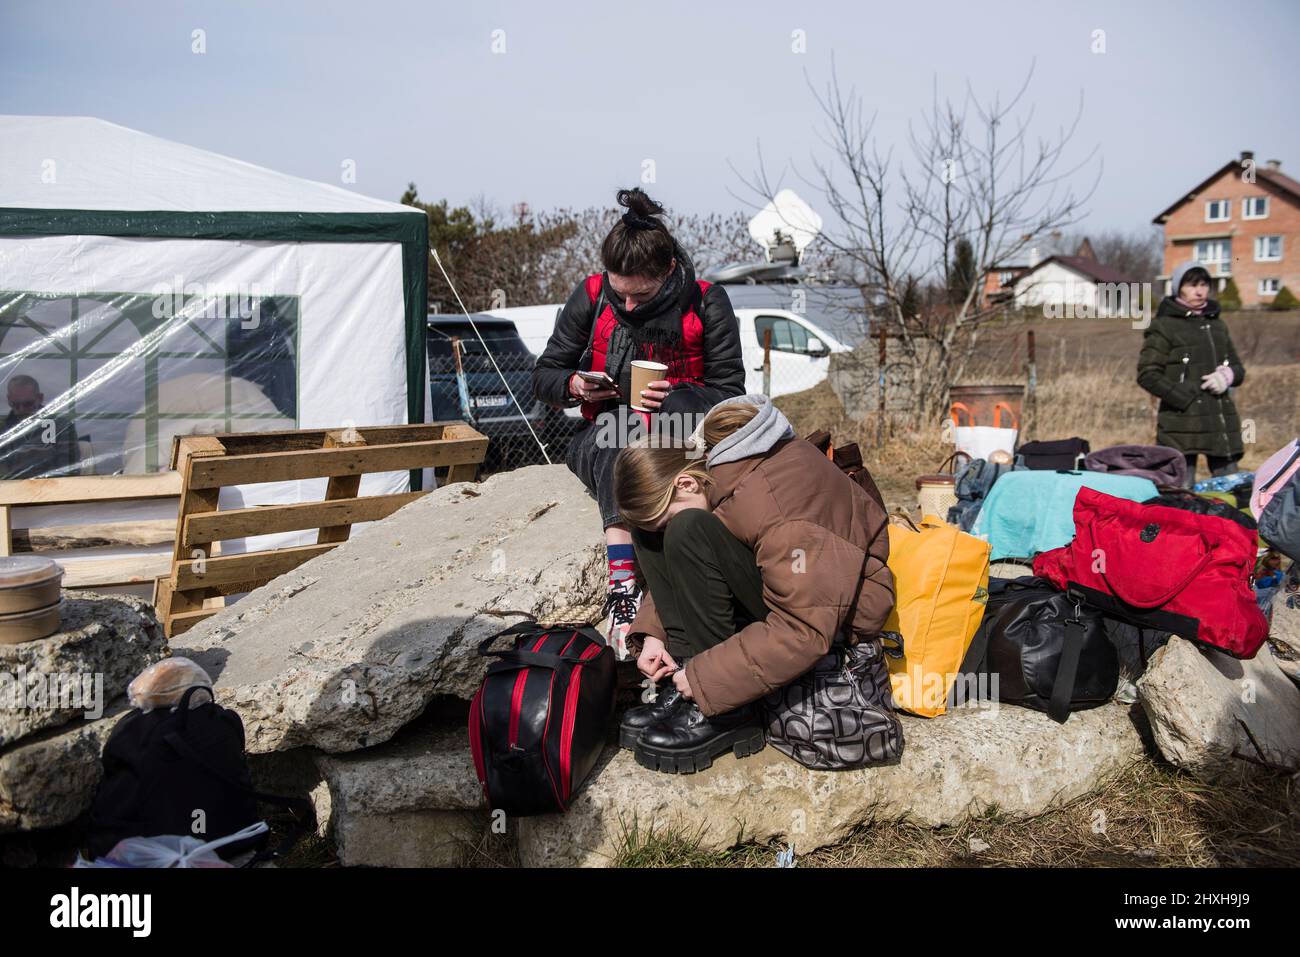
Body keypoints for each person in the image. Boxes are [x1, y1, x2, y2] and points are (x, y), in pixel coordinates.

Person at [611, 394, 895, 773]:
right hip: (785, 594)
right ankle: (685, 671)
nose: (664, 533)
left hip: (832, 621)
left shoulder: (782, 510)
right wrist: (655, 634)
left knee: (686, 529)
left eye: (668, 512)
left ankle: (727, 710)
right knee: (652, 532)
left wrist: (707, 679)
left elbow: (804, 628)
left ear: (686, 482)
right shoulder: (720, 473)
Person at [532, 188, 744, 657]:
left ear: (668, 272)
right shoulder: (590, 295)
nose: (627, 305)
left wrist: (678, 395)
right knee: (619, 433)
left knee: (644, 436)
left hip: (680, 436)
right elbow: (543, 376)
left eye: (640, 294)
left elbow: (731, 394)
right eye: (618, 292)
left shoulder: (708, 302)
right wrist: (575, 386)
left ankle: (684, 614)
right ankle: (623, 585)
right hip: (604, 433)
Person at [1137, 262, 1246, 485]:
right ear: (1179, 288)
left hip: (1219, 419)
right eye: (1192, 285)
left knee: (1233, 491)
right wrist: (1185, 396)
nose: (1199, 291)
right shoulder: (1164, 325)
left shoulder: (1217, 325)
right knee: (1181, 495)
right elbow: (1147, 374)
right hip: (1180, 423)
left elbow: (1238, 367)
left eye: (1204, 285)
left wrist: (1228, 377)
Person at [0, 374, 80, 479]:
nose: (21, 409)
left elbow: (69, 467)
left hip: (53, 489)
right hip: (13, 491)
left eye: (28, 404)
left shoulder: (61, 426)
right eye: (15, 404)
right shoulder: (3, 430)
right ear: (9, 400)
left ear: (40, 398)